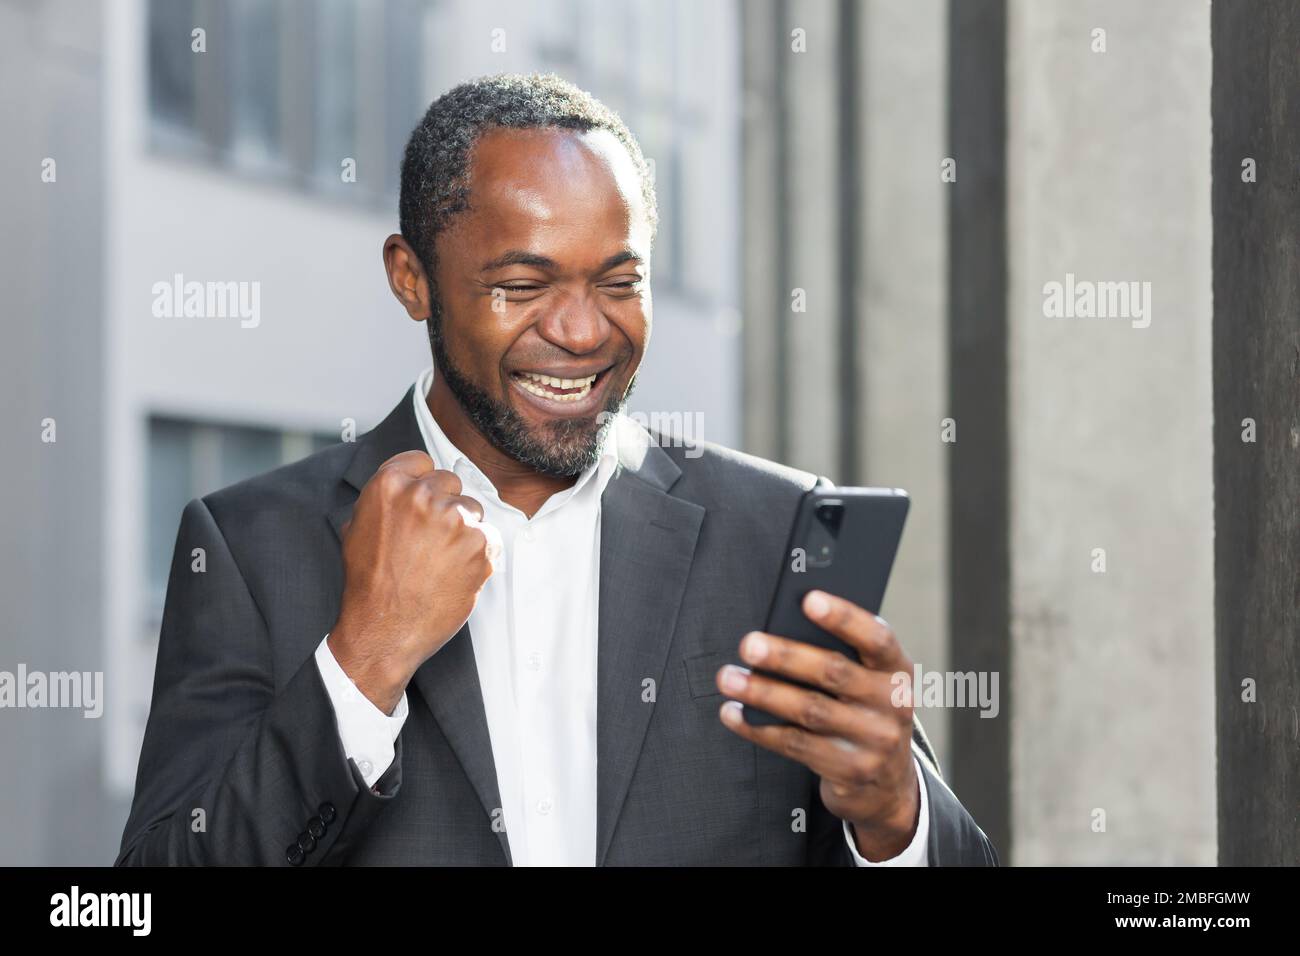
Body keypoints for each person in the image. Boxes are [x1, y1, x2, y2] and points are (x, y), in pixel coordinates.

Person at [117, 73, 996, 866]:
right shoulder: (246, 547)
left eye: (619, 283)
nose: (582, 332)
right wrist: (362, 662)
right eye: (524, 284)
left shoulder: (774, 530)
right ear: (412, 279)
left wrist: (893, 819)